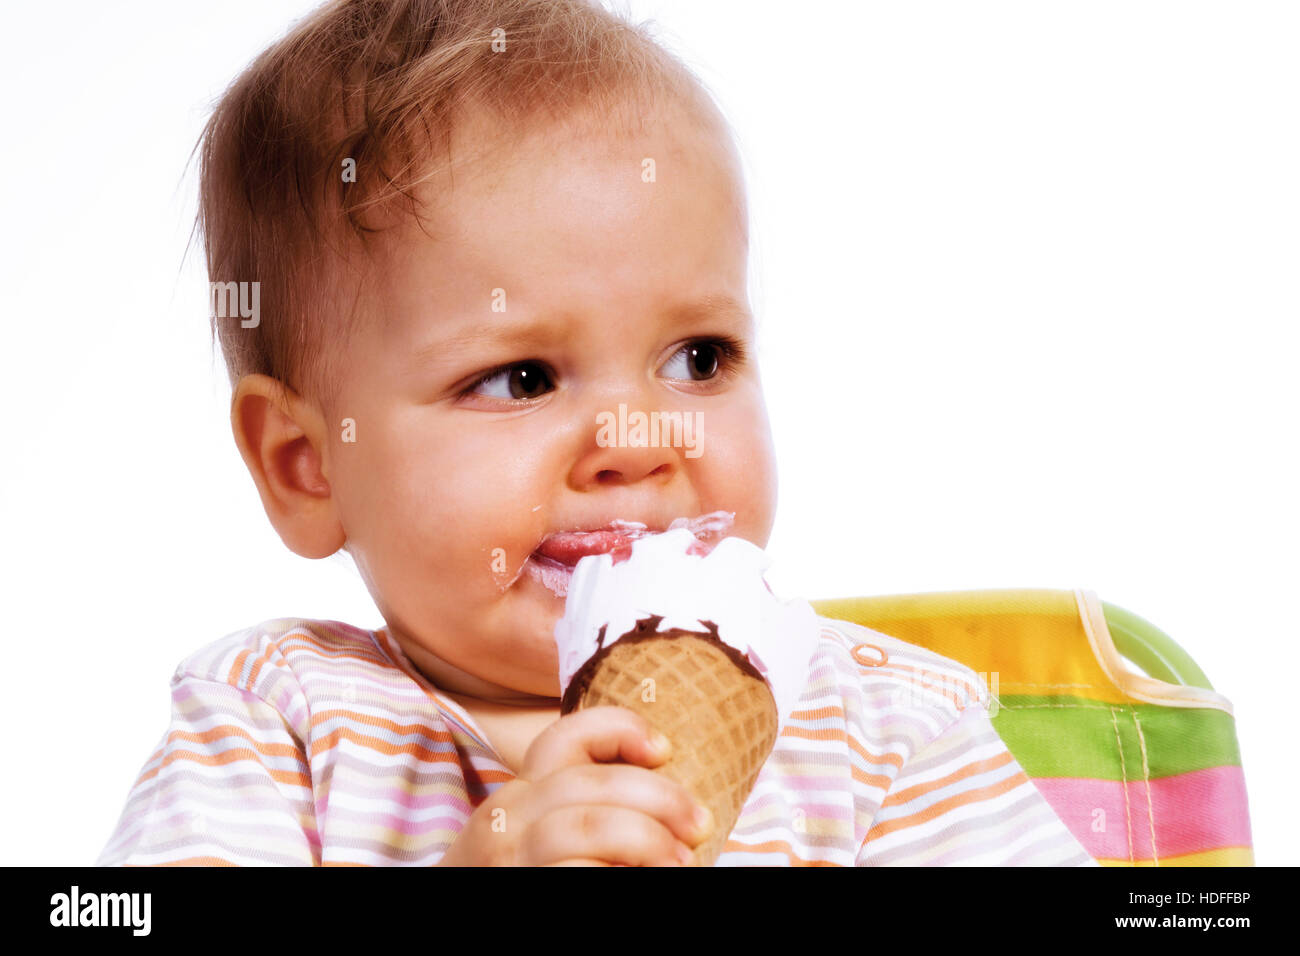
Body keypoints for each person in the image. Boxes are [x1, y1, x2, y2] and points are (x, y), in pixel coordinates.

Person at [97, 0, 1096, 866]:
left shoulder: (892, 729)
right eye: (520, 378)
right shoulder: (273, 726)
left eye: (698, 358)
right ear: (305, 463)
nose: (636, 436)